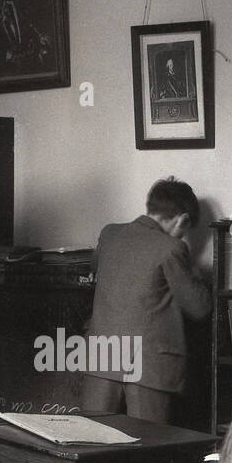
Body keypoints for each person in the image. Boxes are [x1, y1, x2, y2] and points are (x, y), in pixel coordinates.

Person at [81, 178, 211, 423]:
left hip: (99, 360)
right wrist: (191, 266)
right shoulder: (172, 248)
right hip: (148, 369)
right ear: (182, 219)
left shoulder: (109, 234)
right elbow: (199, 308)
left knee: (91, 443)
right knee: (147, 447)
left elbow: (97, 269)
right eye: (186, 229)